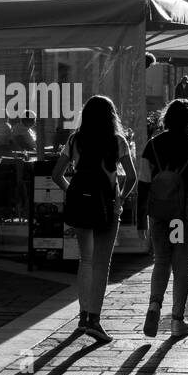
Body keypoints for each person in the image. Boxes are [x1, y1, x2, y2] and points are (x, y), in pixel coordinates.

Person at [51, 94, 136, 344]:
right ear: (112, 117)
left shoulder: (75, 139)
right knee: (102, 263)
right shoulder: (117, 141)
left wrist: (73, 192)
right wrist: (121, 198)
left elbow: (57, 174)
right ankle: (95, 320)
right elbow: (130, 176)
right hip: (107, 206)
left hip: (81, 204)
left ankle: (82, 316)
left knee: (85, 260)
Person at [137, 98, 188, 340]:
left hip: (160, 214)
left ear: (166, 118)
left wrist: (141, 221)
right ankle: (176, 321)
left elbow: (143, 184)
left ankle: (153, 305)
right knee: (181, 265)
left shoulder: (153, 145)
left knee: (161, 260)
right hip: (183, 217)